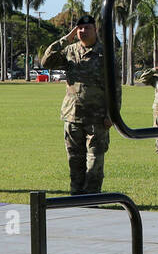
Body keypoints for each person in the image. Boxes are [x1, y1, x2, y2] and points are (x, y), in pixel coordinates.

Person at [36, 14, 120, 194]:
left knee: (94, 164)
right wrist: (65, 40)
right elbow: (46, 62)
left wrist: (111, 114)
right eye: (79, 28)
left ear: (95, 29)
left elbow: (115, 87)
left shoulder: (105, 53)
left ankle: (91, 201)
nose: (82, 31)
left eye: (87, 28)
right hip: (73, 115)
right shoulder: (70, 50)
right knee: (75, 162)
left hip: (97, 119)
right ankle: (76, 200)